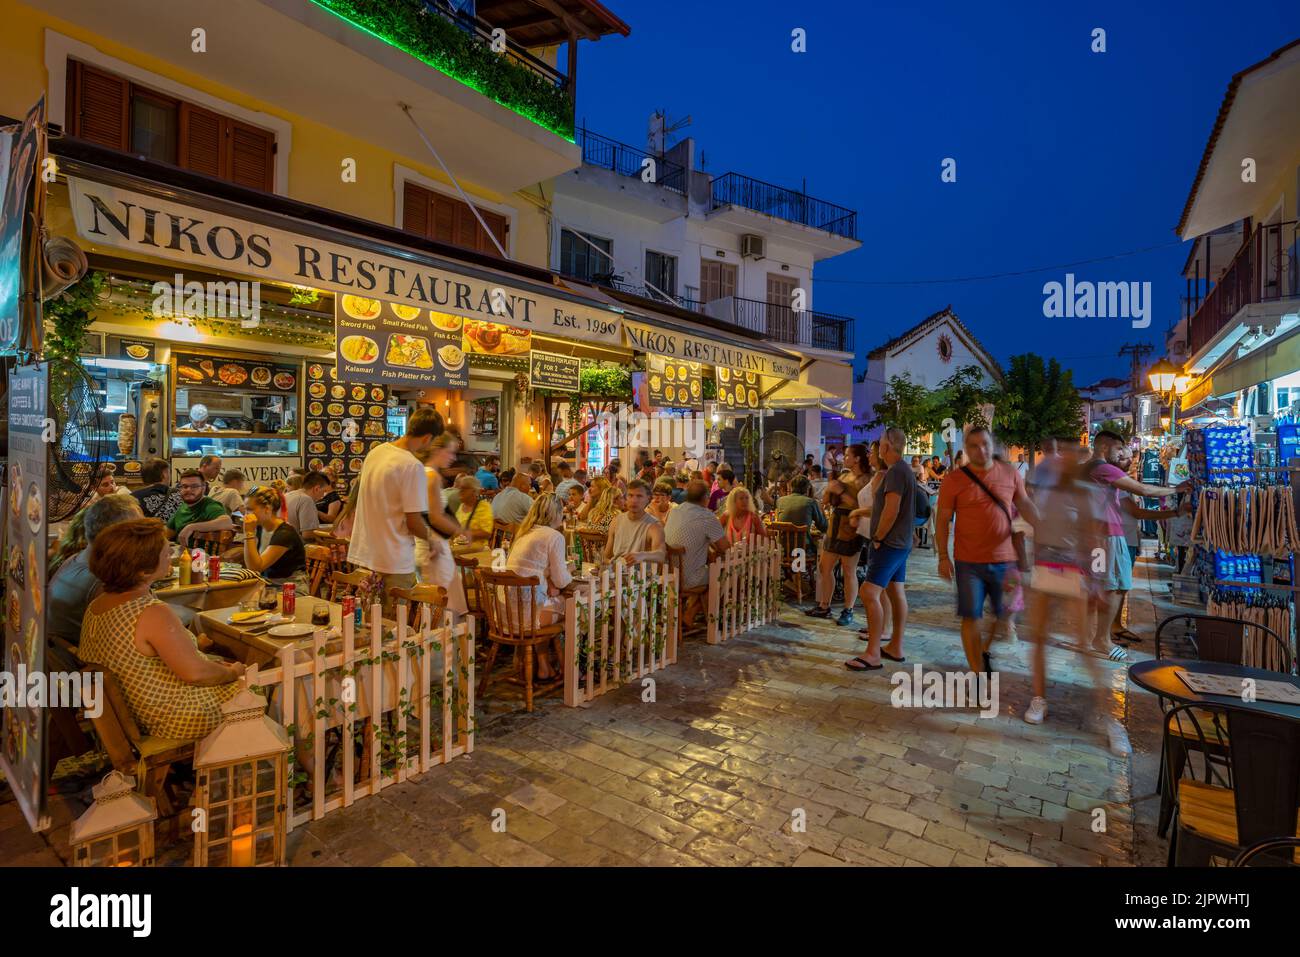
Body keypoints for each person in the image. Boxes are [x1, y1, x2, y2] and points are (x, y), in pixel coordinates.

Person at [78, 518, 245, 740]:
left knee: (220, 663)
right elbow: (195, 674)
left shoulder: (97, 603)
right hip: (174, 720)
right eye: (167, 554)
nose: (172, 558)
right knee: (260, 685)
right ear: (143, 571)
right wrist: (233, 673)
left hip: (133, 713)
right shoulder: (151, 611)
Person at [934, 426, 1039, 677]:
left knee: (1002, 616)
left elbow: (1024, 504)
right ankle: (977, 672)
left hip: (1004, 559)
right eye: (973, 445)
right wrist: (942, 557)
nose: (980, 449)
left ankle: (982, 651)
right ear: (966, 450)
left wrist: (1046, 529)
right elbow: (942, 520)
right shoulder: (954, 480)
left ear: (993, 445)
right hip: (968, 561)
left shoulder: (1010, 473)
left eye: (985, 444)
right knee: (971, 617)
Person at [1083, 430, 1185, 666]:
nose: (1123, 454)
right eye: (1119, 449)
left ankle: (1095, 636)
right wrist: (1177, 490)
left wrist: (1173, 512)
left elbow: (1132, 507)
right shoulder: (1103, 469)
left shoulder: (1093, 471)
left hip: (1105, 535)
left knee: (1109, 586)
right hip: (1106, 536)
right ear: (1104, 446)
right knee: (1113, 586)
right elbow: (1144, 490)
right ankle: (1101, 639)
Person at [346, 406, 441, 599]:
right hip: (393, 560)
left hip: (366, 554)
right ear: (427, 437)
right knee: (392, 625)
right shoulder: (412, 466)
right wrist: (432, 541)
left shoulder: (376, 453)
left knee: (367, 620)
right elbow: (413, 523)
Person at [846, 428, 916, 672]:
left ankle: (873, 653)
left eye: (882, 445)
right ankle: (895, 646)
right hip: (900, 542)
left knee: (868, 593)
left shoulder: (896, 472)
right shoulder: (903, 470)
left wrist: (878, 536)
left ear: (887, 447)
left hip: (890, 543)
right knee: (896, 592)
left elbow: (891, 509)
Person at [48, 495, 143, 656]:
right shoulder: (104, 578)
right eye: (138, 531)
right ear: (115, 534)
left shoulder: (76, 559)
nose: (143, 539)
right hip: (91, 668)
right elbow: (128, 642)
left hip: (63, 658)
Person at [1110, 445, 1187, 646]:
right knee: (1118, 586)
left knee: (1122, 586)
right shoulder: (1120, 488)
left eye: (1133, 459)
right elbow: (1139, 513)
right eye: (1127, 459)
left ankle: (1115, 625)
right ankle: (1111, 628)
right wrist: (1175, 512)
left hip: (1128, 539)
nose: (1132, 462)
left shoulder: (1125, 486)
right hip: (1122, 541)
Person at [504, 492, 572, 679]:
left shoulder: (523, 533)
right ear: (556, 513)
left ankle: (543, 665)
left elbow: (532, 569)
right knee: (577, 608)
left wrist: (549, 579)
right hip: (530, 616)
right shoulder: (554, 536)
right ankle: (572, 669)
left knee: (549, 601)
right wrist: (568, 571)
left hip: (506, 615)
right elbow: (562, 581)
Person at [664, 480, 732, 625]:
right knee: (724, 575)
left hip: (667, 574)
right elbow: (725, 547)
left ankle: (690, 611)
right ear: (705, 498)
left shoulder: (674, 511)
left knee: (705, 567)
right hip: (687, 578)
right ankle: (691, 613)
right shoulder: (707, 516)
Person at [807, 477, 861, 621]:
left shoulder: (864, 478)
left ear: (857, 458)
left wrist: (841, 491)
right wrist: (830, 490)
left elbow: (859, 505)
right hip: (836, 521)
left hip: (850, 524)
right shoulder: (843, 477)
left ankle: (848, 610)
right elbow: (825, 501)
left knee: (849, 570)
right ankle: (824, 606)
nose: (845, 457)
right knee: (825, 567)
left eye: (848, 454)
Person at [242, 486, 307, 583]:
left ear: (267, 509)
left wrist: (249, 533)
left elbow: (255, 567)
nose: (246, 514)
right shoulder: (260, 527)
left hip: (289, 587)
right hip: (267, 583)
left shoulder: (285, 533)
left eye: (249, 509)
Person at [604, 479, 665, 564]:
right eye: (630, 495)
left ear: (648, 499)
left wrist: (643, 555)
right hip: (616, 572)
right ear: (626, 498)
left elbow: (661, 555)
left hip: (639, 575)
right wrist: (612, 565)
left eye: (639, 496)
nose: (634, 500)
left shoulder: (654, 526)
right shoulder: (616, 521)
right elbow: (606, 556)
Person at [167, 470, 234, 547]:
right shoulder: (183, 507)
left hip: (201, 557)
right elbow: (167, 533)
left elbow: (227, 522)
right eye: (185, 486)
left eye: (194, 486)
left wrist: (191, 527)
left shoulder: (209, 506)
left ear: (203, 488)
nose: (188, 490)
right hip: (182, 555)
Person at [776, 475, 827, 551]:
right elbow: (823, 527)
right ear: (807, 488)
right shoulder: (811, 502)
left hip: (782, 548)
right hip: (803, 549)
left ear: (792, 487)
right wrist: (822, 511)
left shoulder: (780, 501)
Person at [454, 474, 494, 548]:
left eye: (463, 489)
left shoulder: (484, 507)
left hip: (478, 549)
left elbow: (487, 533)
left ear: (473, 491)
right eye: (459, 488)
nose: (459, 491)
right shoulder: (461, 506)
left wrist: (463, 533)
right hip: (462, 548)